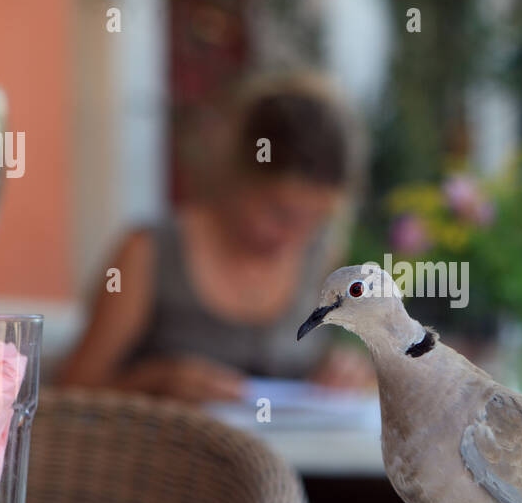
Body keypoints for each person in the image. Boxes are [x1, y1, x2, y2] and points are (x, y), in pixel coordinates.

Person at [59, 72, 373, 402]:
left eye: (317, 219)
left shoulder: (320, 255)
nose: (295, 236)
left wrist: (346, 369)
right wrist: (154, 381)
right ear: (237, 174)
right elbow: (70, 393)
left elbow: (320, 372)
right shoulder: (149, 253)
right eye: (280, 213)